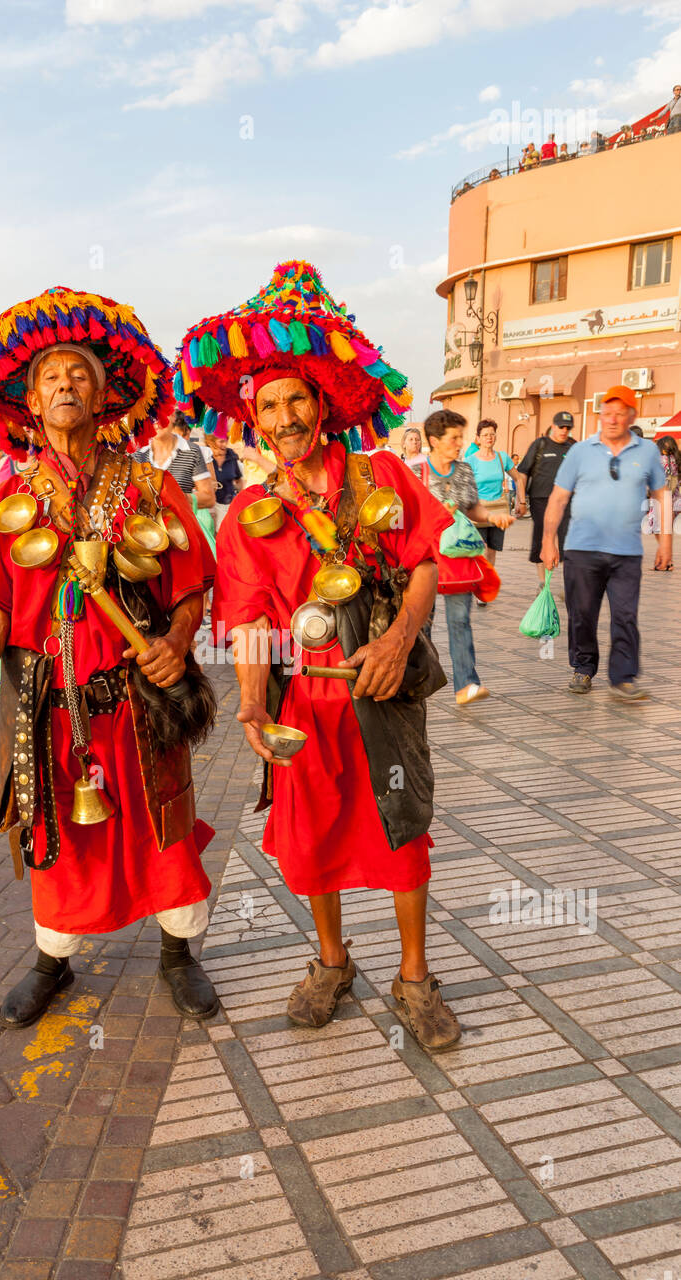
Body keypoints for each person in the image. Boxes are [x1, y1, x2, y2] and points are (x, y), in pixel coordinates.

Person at [176, 258, 464, 1050]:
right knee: (311, 837)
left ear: (325, 401)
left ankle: (415, 979)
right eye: (268, 403)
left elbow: (428, 563)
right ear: (254, 420)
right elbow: (244, 620)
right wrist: (251, 701)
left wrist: (399, 638)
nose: (284, 413)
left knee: (401, 829)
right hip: (308, 704)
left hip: (384, 687)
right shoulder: (248, 514)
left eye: (297, 396)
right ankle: (333, 963)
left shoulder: (380, 475)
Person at [0, 285, 219, 1029]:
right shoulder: (7, 500)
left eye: (81, 377)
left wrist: (175, 642)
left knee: (164, 823)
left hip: (135, 698)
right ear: (30, 403)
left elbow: (195, 582)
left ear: (107, 397)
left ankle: (177, 956)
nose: (66, 387)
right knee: (49, 831)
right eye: (51, 379)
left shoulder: (152, 487)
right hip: (43, 704)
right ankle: (51, 963)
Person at [541, 385, 672, 699]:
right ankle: (583, 669)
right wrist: (548, 541)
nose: (611, 419)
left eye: (619, 413)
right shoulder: (580, 451)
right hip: (582, 550)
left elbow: (661, 496)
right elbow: (558, 499)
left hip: (626, 553)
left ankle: (623, 677)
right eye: (606, 413)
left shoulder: (647, 451)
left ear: (631, 416)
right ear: (600, 415)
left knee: (626, 615)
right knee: (582, 614)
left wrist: (665, 543)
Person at [423, 410, 513, 700]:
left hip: (458, 553)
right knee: (421, 623)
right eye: (453, 438)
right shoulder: (415, 471)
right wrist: (436, 515)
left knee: (460, 620)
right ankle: (418, 681)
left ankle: (465, 684)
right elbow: (404, 513)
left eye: (461, 437)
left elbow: (472, 507)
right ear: (435, 440)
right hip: (423, 557)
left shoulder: (463, 470)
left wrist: (492, 517)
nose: (459, 443)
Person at [515, 411, 576, 586]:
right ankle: (544, 582)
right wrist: (521, 501)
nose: (564, 430)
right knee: (542, 537)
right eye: (561, 427)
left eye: (568, 428)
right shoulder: (540, 444)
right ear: (554, 426)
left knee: (567, 539)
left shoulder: (572, 448)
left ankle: (568, 582)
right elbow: (523, 472)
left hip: (567, 501)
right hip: (540, 499)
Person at [464, 417, 519, 571]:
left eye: (492, 434)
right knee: (481, 549)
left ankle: (488, 580)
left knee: (492, 550)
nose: (489, 437)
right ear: (478, 438)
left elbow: (518, 478)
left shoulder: (502, 458)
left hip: (499, 508)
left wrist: (521, 501)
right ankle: (478, 579)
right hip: (478, 510)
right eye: (485, 434)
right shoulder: (470, 461)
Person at [204, 431, 243, 530]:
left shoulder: (231, 455)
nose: (225, 444)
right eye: (221, 441)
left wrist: (242, 499)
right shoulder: (204, 458)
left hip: (229, 506)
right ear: (210, 442)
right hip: (210, 509)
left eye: (226, 441)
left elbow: (238, 481)